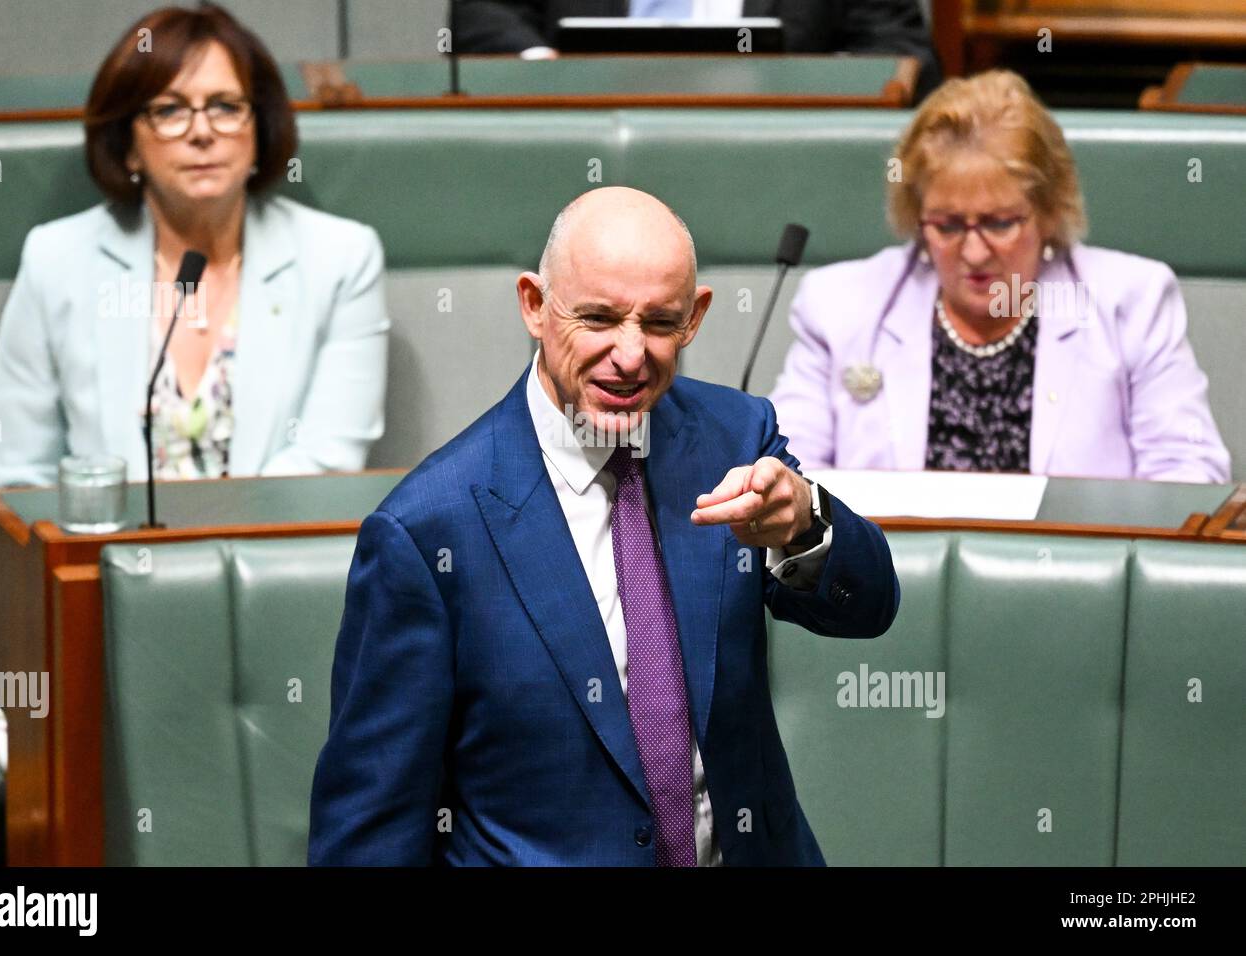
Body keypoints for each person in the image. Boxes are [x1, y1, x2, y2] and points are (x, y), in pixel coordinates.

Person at [309, 186, 899, 866]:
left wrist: (804, 524)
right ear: (534, 305)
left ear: (695, 318)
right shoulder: (427, 532)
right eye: (598, 318)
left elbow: (869, 606)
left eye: (659, 322)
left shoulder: (734, 438)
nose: (630, 354)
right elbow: (369, 830)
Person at [0, 3, 389, 488]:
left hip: (278, 537)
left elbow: (327, 462)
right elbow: (21, 474)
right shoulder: (56, 260)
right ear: (129, 145)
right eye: (169, 110)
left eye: (225, 107)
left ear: (258, 131)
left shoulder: (341, 258)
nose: (201, 132)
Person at [768, 70, 1230, 483]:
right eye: (947, 226)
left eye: (999, 223)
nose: (973, 252)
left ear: (1049, 212)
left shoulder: (1132, 301)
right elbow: (787, 477)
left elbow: (1188, 476)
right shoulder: (840, 304)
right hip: (889, 554)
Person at [454, 0, 942, 95]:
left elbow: (903, 51)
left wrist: (804, 87)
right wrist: (547, 73)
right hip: (577, 154)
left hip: (767, 159)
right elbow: (480, 13)